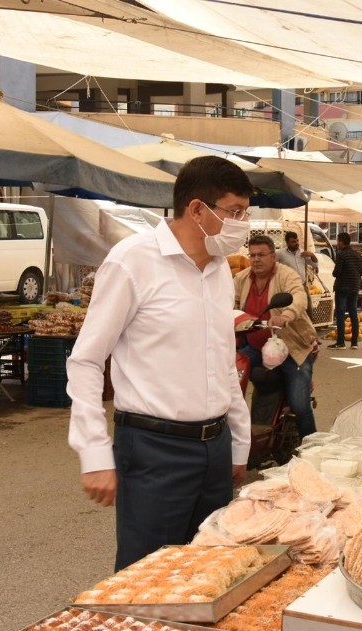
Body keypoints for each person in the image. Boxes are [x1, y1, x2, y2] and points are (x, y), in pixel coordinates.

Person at [66, 155, 253, 571]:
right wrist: (94, 452)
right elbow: (85, 361)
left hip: (215, 448)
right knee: (146, 581)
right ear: (197, 210)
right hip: (155, 450)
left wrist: (239, 444)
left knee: (207, 572)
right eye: (234, 212)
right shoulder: (132, 261)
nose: (242, 224)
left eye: (246, 212)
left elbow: (224, 362)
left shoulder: (220, 270)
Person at [234, 235, 318, 437]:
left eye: (261, 255)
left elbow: (299, 297)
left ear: (273, 256)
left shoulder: (287, 275)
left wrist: (287, 315)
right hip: (255, 348)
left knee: (299, 405)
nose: (256, 259)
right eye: (252, 255)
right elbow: (231, 304)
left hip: (292, 349)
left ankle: (314, 446)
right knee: (228, 376)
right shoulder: (242, 278)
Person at [330, 232, 362, 349]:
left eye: (338, 241)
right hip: (354, 287)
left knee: (340, 314)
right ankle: (354, 342)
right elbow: (361, 272)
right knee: (353, 313)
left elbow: (336, 272)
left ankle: (340, 342)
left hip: (342, 288)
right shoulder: (357, 255)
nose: (337, 243)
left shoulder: (341, 255)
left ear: (342, 242)